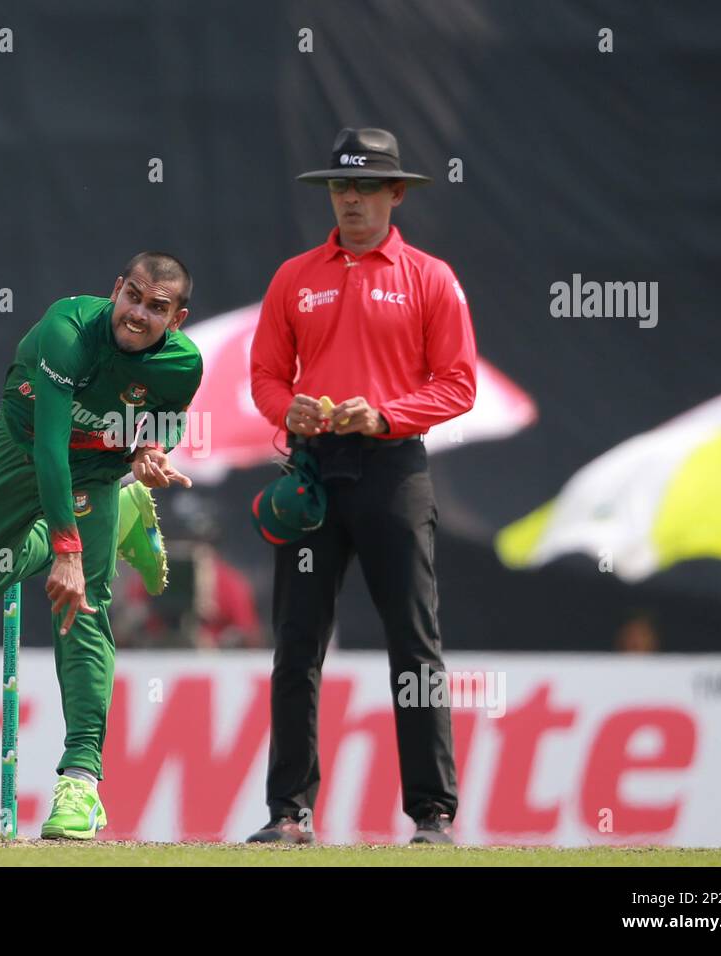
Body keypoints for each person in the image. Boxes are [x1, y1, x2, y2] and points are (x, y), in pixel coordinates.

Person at [247, 128, 477, 845]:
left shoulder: (429, 277)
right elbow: (263, 377)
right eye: (341, 186)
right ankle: (288, 814)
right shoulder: (294, 276)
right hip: (315, 468)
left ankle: (433, 815)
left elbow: (458, 386)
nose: (350, 198)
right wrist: (293, 409)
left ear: (395, 194)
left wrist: (383, 414)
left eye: (366, 186)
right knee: (296, 642)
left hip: (392, 470)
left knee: (414, 642)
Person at [0, 252, 203, 840]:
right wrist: (64, 549)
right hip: (24, 448)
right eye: (133, 296)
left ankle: (81, 780)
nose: (138, 314)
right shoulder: (68, 329)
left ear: (178, 318)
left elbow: (170, 417)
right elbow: (50, 446)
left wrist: (151, 451)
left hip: (94, 474)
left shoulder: (182, 362)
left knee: (82, 606)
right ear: (116, 289)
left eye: (156, 307)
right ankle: (115, 523)